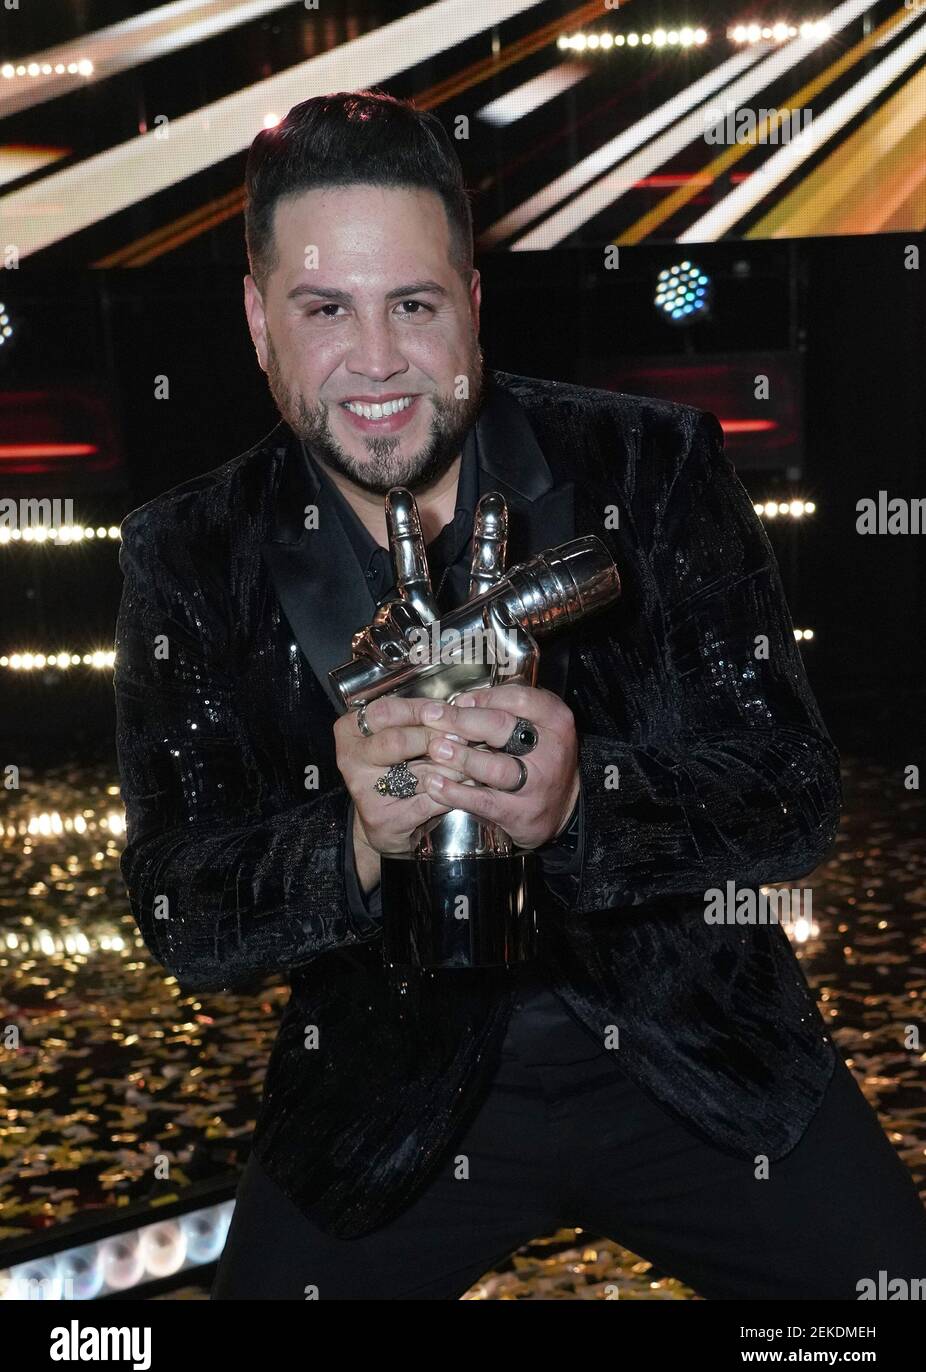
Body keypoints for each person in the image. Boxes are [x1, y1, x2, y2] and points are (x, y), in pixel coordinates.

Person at [113, 89, 926, 1300]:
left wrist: (581, 800)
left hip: (698, 1058)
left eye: (414, 305)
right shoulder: (186, 550)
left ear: (472, 308)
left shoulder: (652, 466)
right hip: (384, 1104)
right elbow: (182, 908)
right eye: (325, 309)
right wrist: (350, 839)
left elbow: (792, 794)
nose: (377, 359)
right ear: (257, 320)